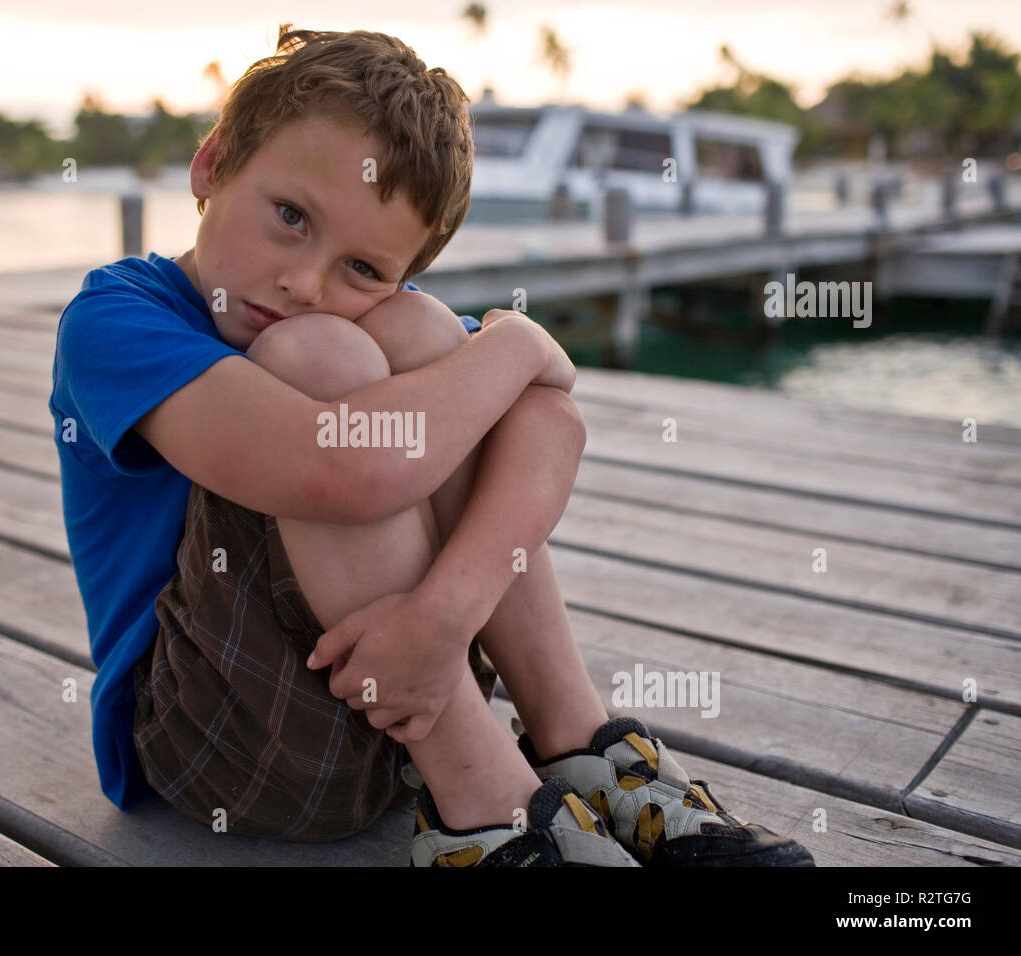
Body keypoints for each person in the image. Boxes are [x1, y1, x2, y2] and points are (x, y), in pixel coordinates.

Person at [49, 24, 814, 867]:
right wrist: (517, 342)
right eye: (291, 216)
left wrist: (441, 618)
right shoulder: (114, 321)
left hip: (404, 708)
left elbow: (552, 427)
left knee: (418, 334)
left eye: (364, 268)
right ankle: (491, 813)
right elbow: (341, 467)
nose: (305, 284)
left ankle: (580, 751)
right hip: (217, 751)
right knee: (326, 355)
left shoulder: (389, 310)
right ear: (211, 164)